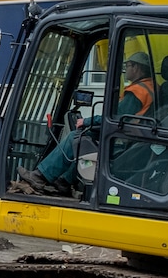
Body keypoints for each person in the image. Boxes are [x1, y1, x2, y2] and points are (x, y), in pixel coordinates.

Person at [17, 51, 156, 194]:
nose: (125, 69)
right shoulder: (151, 87)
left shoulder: (137, 92)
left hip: (123, 141)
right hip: (134, 140)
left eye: (128, 65)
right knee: (84, 141)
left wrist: (87, 121)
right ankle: (64, 181)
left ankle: (39, 176)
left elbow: (114, 118)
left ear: (137, 67)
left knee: (76, 138)